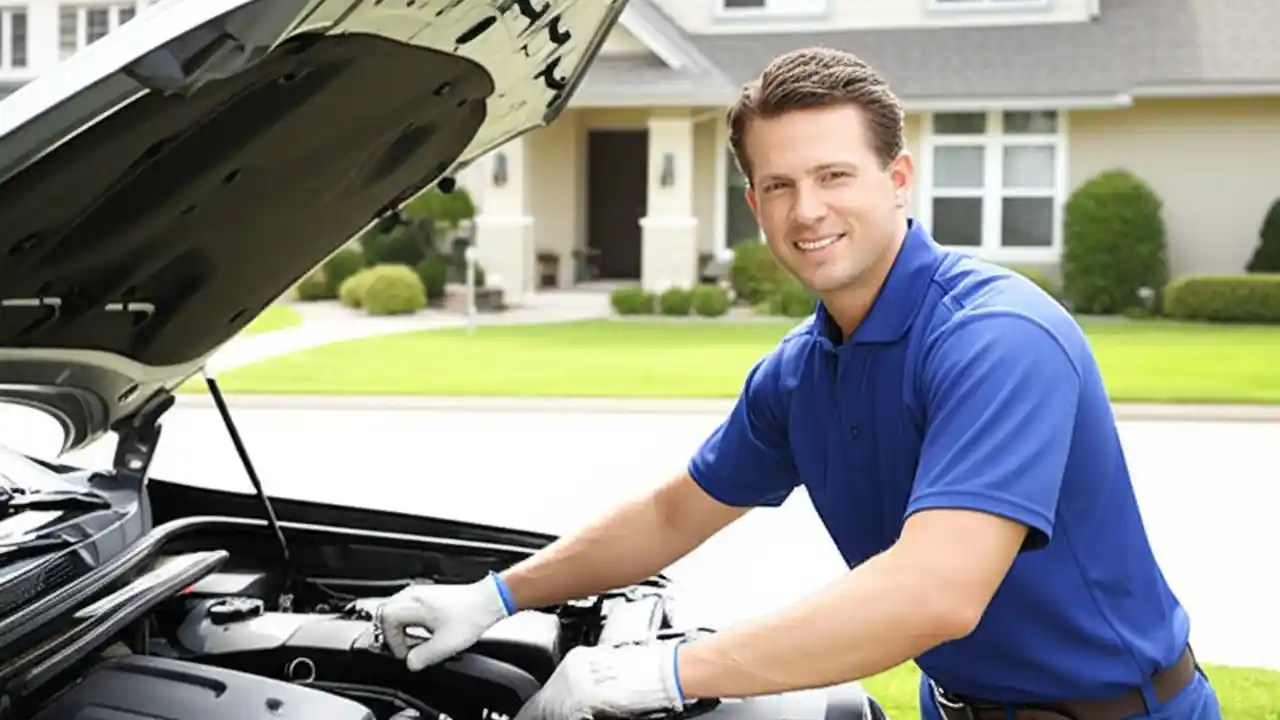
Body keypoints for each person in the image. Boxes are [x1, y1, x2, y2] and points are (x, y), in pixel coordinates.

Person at [371, 47, 1222, 720]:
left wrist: (660, 674)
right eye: (779, 185)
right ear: (755, 205)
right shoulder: (800, 370)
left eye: (833, 176)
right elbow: (673, 513)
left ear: (897, 179)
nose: (806, 210)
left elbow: (935, 593)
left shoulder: (996, 338)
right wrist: (490, 596)